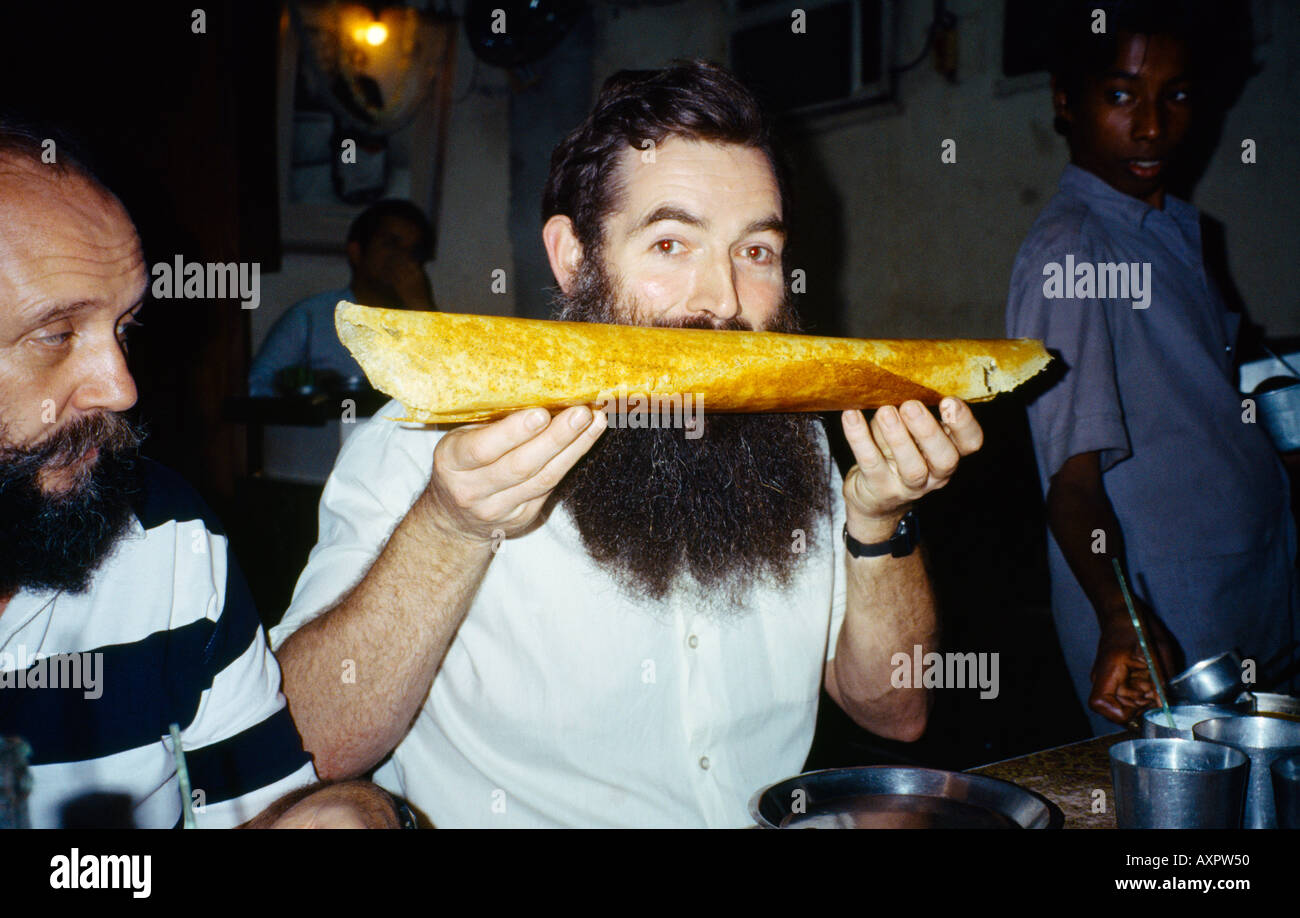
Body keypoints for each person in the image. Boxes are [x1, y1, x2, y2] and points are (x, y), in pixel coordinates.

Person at [271, 60, 985, 828]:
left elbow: (898, 713)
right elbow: (307, 747)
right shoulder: (422, 448)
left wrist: (880, 525)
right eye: (672, 245)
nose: (723, 301)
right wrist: (450, 526)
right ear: (573, 257)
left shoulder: (803, 447)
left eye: (756, 253)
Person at [0, 119, 396, 828]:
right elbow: (268, 383)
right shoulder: (314, 316)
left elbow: (258, 804)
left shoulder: (163, 530)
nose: (122, 388)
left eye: (124, 329)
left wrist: (351, 810)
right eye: (57, 334)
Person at [1006, 1, 1296, 735]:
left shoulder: (1175, 231)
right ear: (1066, 102)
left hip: (1250, 593)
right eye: (1121, 94)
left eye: (1177, 95)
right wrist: (1121, 619)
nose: (1152, 125)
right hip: (1170, 633)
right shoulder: (1073, 252)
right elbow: (1071, 483)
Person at [247, 199, 436, 396]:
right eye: (391, 245)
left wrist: (422, 306)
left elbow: (445, 386)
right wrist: (301, 384)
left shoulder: (419, 321)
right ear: (356, 252)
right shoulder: (310, 316)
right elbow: (255, 387)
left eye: (412, 250)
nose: (403, 258)